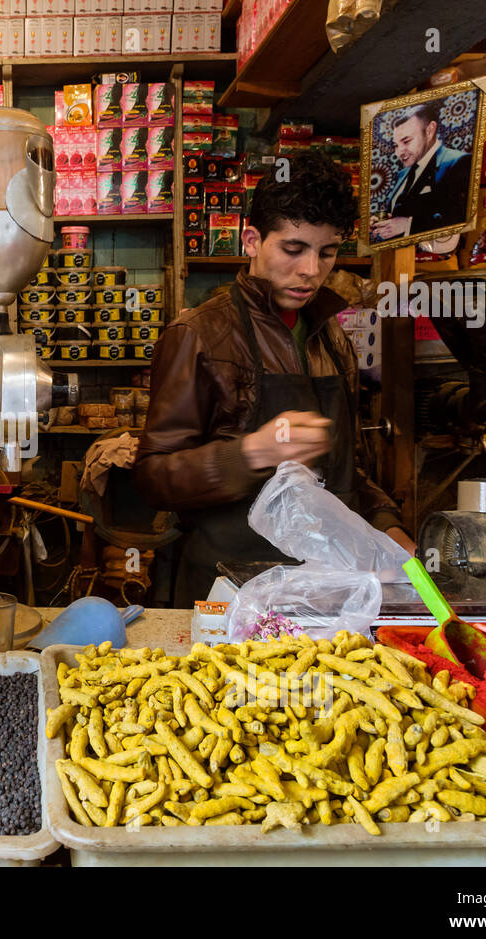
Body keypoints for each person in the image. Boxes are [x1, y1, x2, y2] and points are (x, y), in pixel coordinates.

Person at [134, 151, 416, 605]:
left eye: (327, 253)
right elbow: (151, 478)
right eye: (293, 249)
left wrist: (386, 524)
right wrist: (250, 454)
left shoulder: (332, 339)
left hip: (323, 589)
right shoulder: (199, 335)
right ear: (251, 240)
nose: (311, 270)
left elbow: (345, 469)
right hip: (225, 591)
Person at [370, 102, 472, 241]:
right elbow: (399, 215)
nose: (399, 152)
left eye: (406, 141)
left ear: (430, 130)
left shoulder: (457, 162)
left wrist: (408, 225)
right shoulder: (403, 174)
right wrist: (382, 222)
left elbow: (459, 218)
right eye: (395, 145)